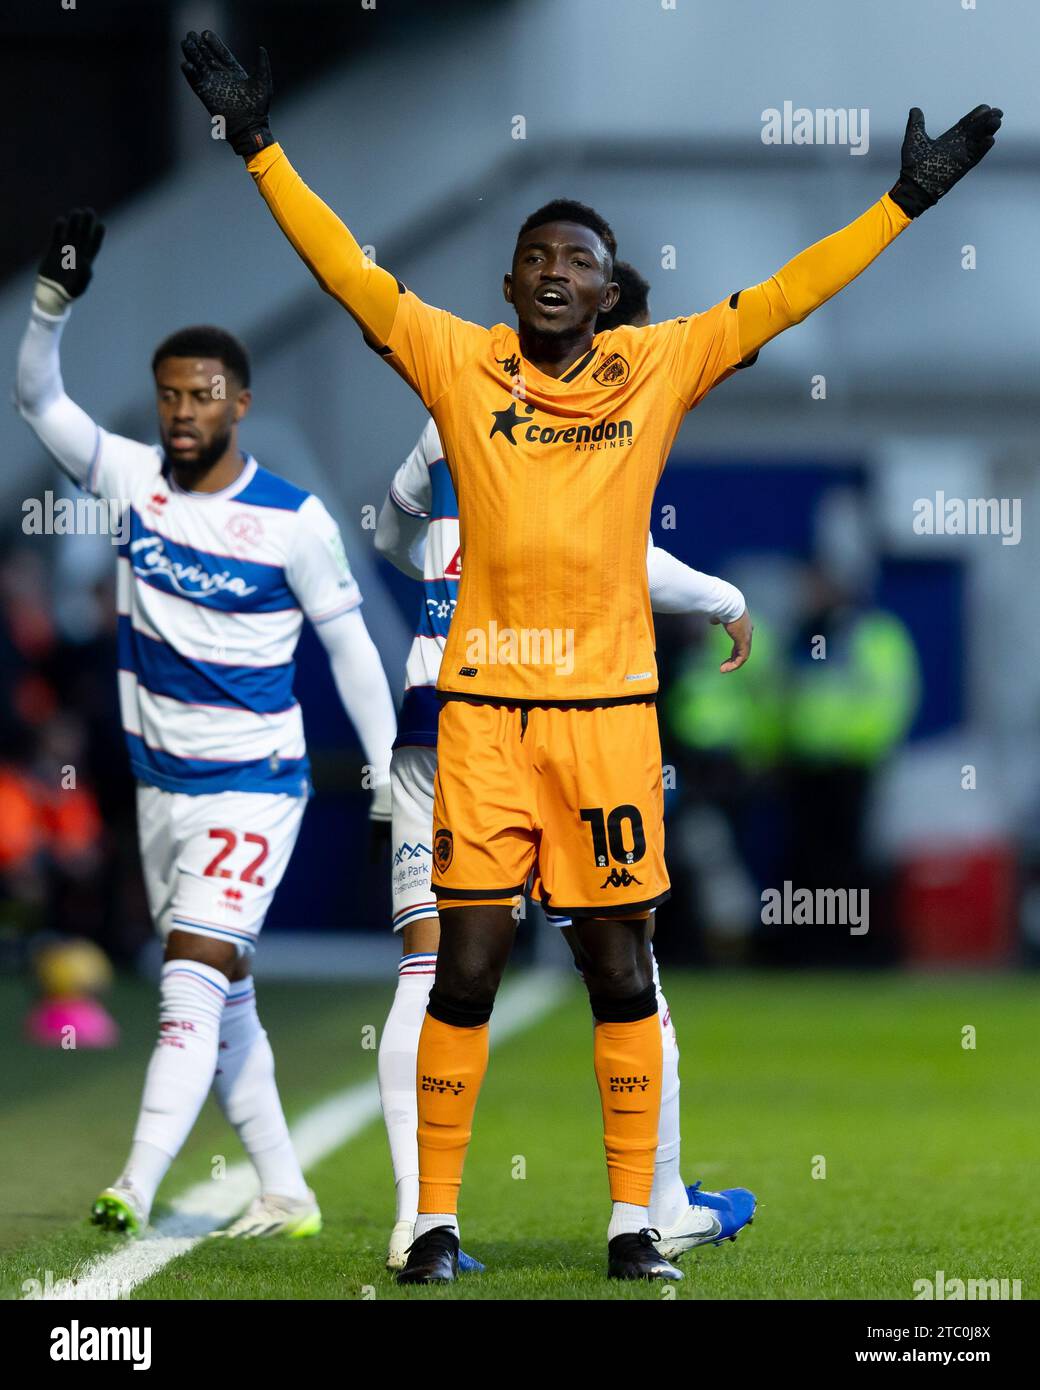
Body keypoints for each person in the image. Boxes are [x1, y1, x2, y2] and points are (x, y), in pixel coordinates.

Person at [179, 30, 1000, 1280]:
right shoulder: (461, 364)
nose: (556, 271)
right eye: (536, 256)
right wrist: (257, 149)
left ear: (610, 290)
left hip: (610, 721)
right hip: (483, 724)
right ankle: (431, 1224)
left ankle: (633, 1226)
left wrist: (900, 202)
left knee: (620, 968)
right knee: (464, 964)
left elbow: (784, 294)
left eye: (580, 260)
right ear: (509, 283)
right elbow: (347, 271)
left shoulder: (651, 370)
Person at [15, 208, 398, 1238]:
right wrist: (51, 303)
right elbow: (36, 397)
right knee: (225, 1002)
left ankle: (131, 1185)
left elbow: (353, 651)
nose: (182, 412)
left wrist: (388, 776)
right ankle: (285, 1188)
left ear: (241, 403)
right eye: (170, 397)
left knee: (187, 978)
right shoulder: (131, 478)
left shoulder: (293, 521)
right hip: (159, 787)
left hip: (252, 788)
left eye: (202, 396)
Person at [374, 261, 755, 1271]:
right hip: (491, 712)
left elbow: (392, 519)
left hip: (445, 703)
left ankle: (431, 1218)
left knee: (451, 965)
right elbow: (606, 552)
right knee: (587, 965)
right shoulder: (552, 400)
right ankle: (632, 1207)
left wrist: (432, 592)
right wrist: (718, 595)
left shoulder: (451, 404)